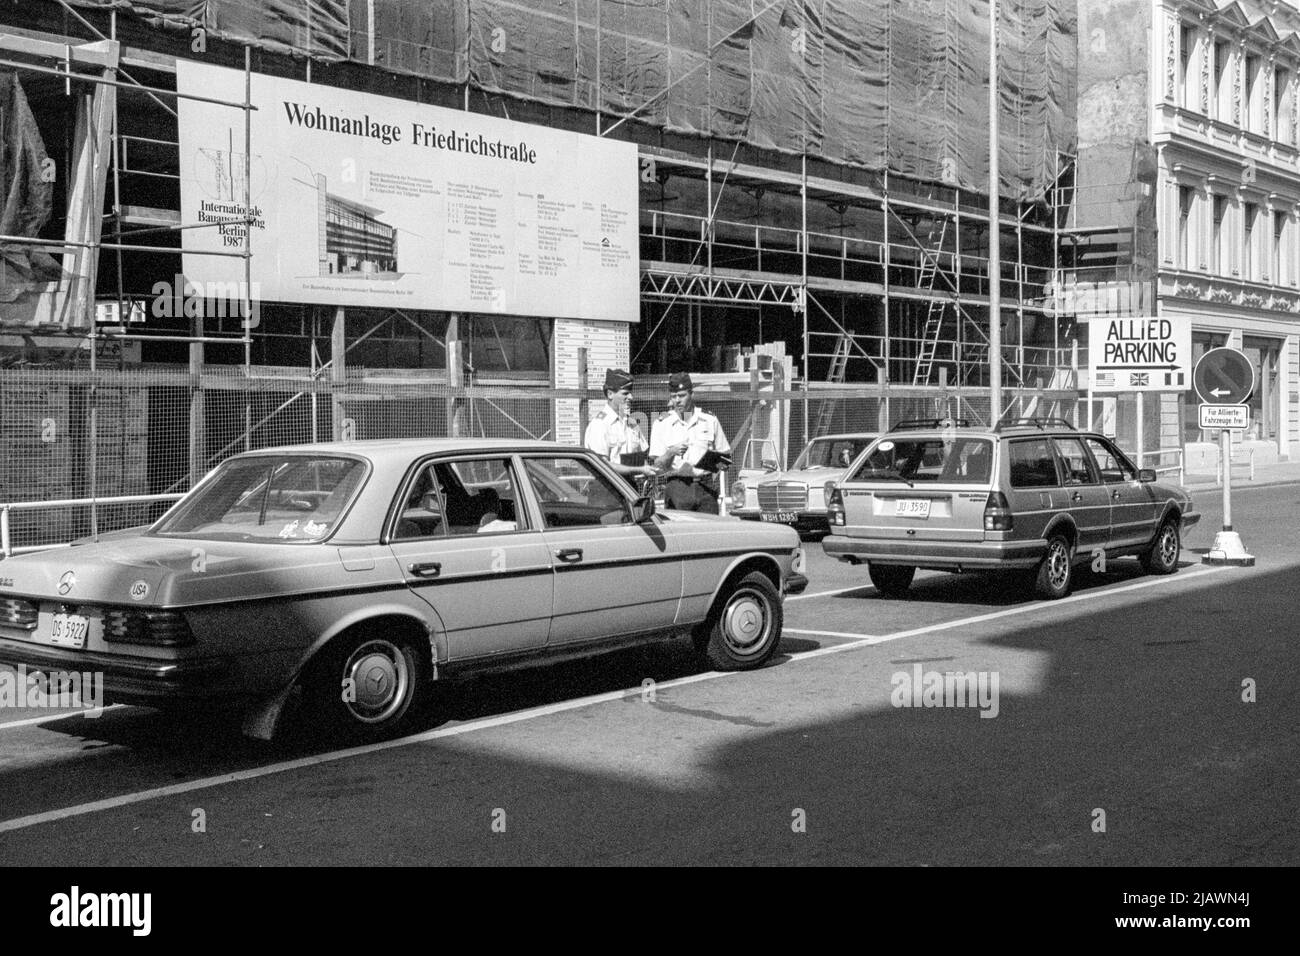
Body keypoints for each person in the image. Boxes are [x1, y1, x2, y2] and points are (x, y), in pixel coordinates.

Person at [649, 371, 731, 514]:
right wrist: (670, 453)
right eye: (673, 396)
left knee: (710, 528)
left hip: (706, 488)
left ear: (692, 394)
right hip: (677, 488)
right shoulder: (662, 424)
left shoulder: (709, 420)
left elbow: (725, 457)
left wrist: (709, 465)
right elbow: (657, 466)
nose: (677, 400)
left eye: (681, 396)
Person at [584, 367, 657, 482]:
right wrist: (639, 469)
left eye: (630, 393)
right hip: (608, 487)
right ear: (610, 394)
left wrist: (646, 469)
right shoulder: (599, 425)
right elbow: (602, 465)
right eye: (625, 394)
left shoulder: (631, 423)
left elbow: (642, 458)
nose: (631, 397)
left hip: (630, 486)